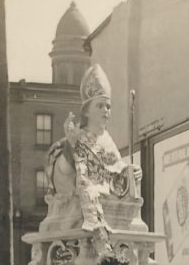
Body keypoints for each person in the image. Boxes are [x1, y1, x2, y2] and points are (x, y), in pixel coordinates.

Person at [46, 63, 142, 253]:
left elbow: (114, 167)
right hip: (88, 192)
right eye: (100, 106)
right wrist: (70, 145)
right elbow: (64, 171)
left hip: (109, 192)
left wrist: (130, 170)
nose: (106, 110)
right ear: (87, 111)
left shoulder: (108, 140)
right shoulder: (77, 137)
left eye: (108, 106)